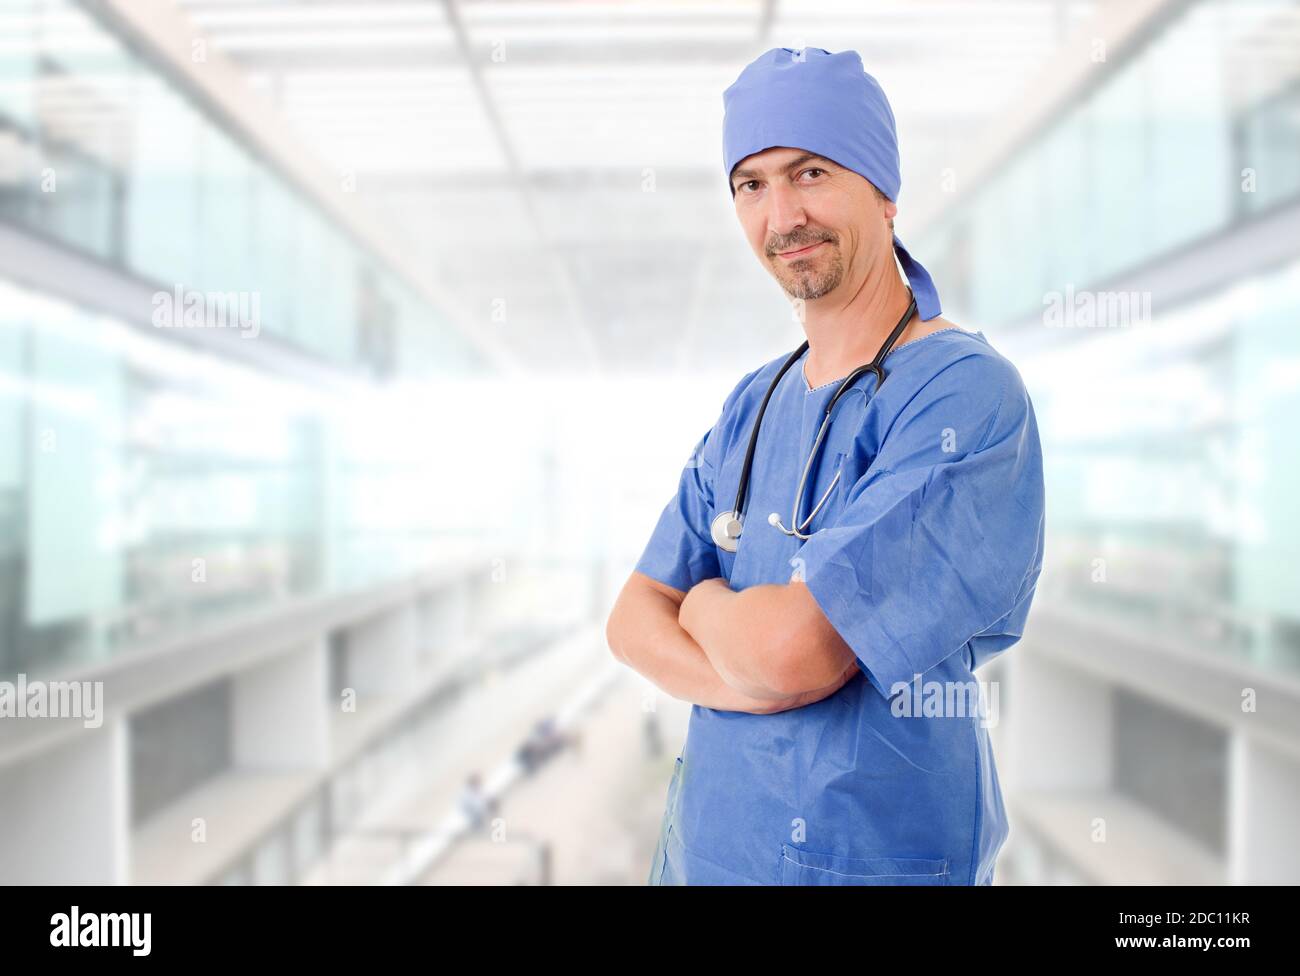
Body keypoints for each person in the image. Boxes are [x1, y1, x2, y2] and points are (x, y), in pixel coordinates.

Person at [605, 46, 1045, 886]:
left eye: (810, 172)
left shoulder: (962, 397)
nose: (782, 218)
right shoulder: (755, 403)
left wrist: (699, 600)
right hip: (707, 859)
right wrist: (749, 675)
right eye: (752, 185)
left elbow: (797, 651)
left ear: (883, 192)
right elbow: (630, 621)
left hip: (881, 861)